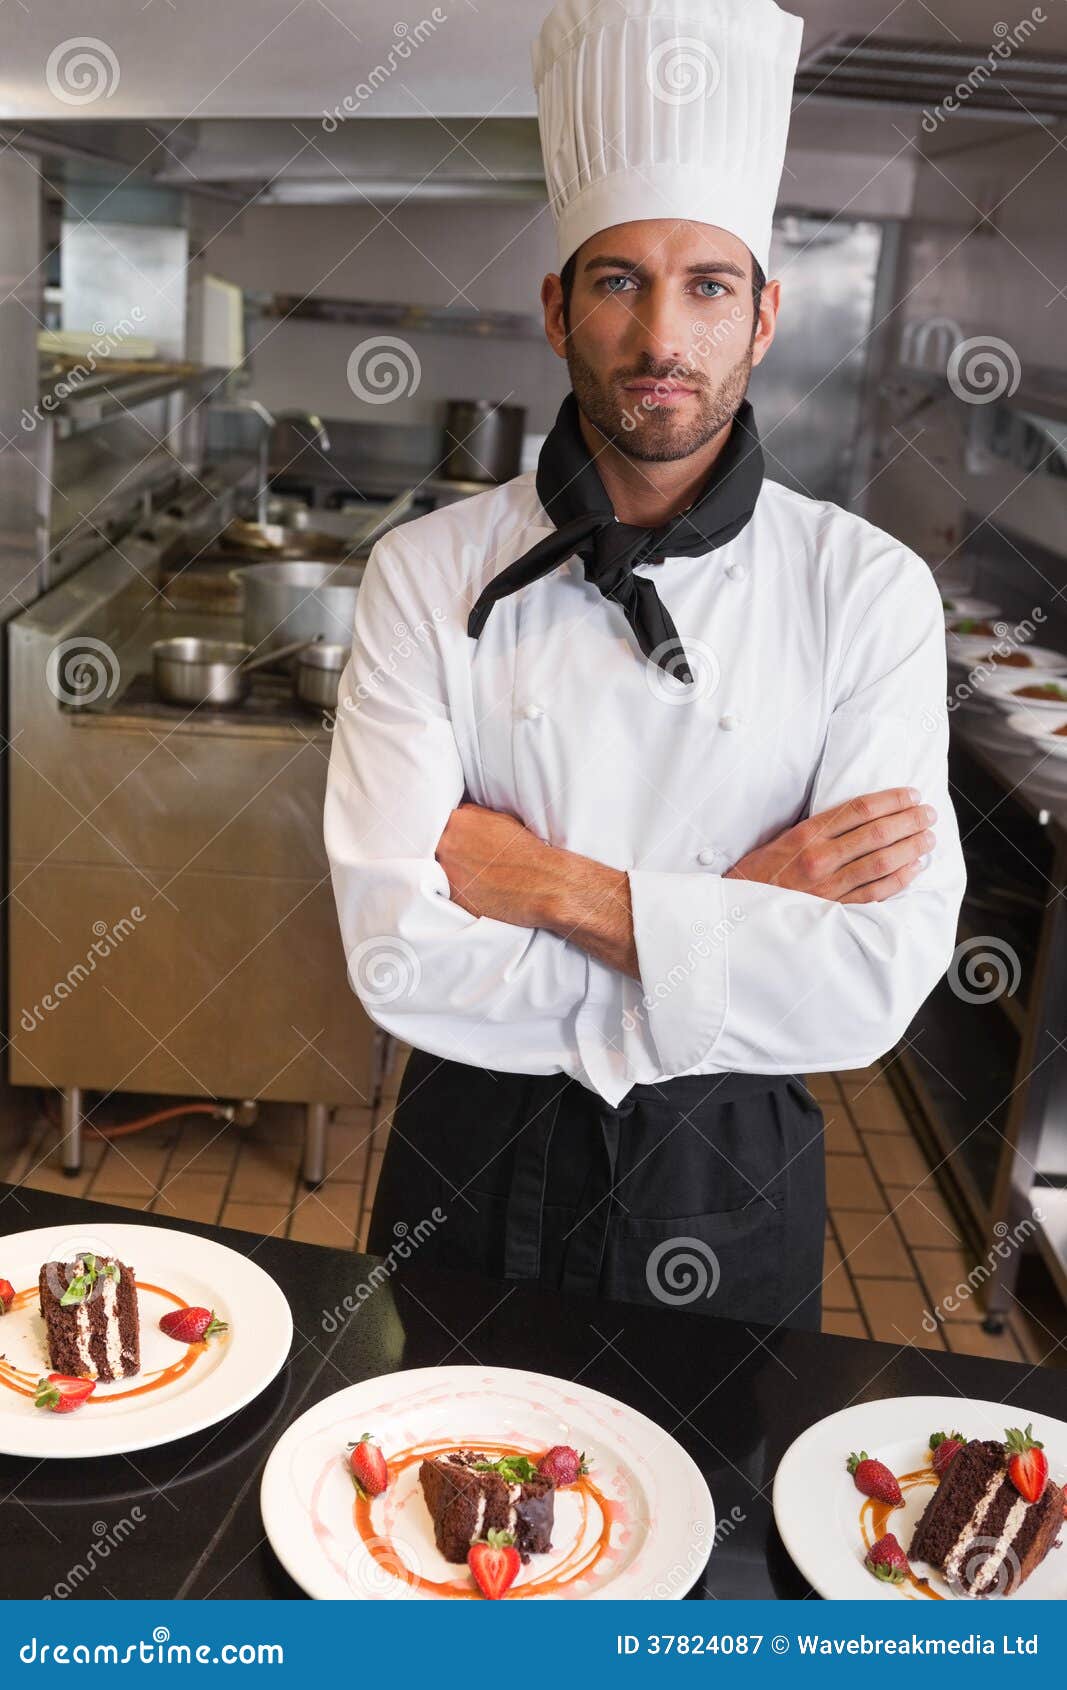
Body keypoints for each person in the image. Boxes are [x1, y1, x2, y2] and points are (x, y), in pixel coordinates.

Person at [324, 0, 967, 1330]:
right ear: (558, 307)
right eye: (619, 280)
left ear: (765, 315)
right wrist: (738, 911)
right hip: (467, 1165)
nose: (662, 336)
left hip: (727, 1188)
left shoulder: (868, 593)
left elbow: (868, 987)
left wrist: (541, 882)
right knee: (427, 1519)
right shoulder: (428, 573)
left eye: (708, 285)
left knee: (714, 1528)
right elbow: (397, 956)